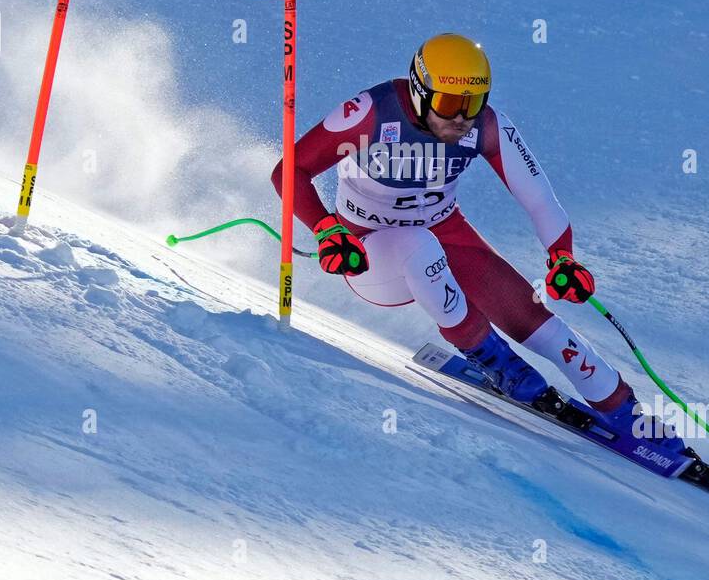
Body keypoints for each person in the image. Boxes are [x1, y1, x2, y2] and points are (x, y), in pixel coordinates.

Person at [272, 33, 676, 444]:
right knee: (419, 245)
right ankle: (494, 360)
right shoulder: (370, 113)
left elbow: (539, 199)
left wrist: (561, 258)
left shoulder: (487, 127)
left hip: (447, 232)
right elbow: (288, 171)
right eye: (449, 104)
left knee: (533, 315)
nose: (461, 118)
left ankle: (627, 412)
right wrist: (326, 228)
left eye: (473, 103)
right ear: (419, 89)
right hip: (371, 251)